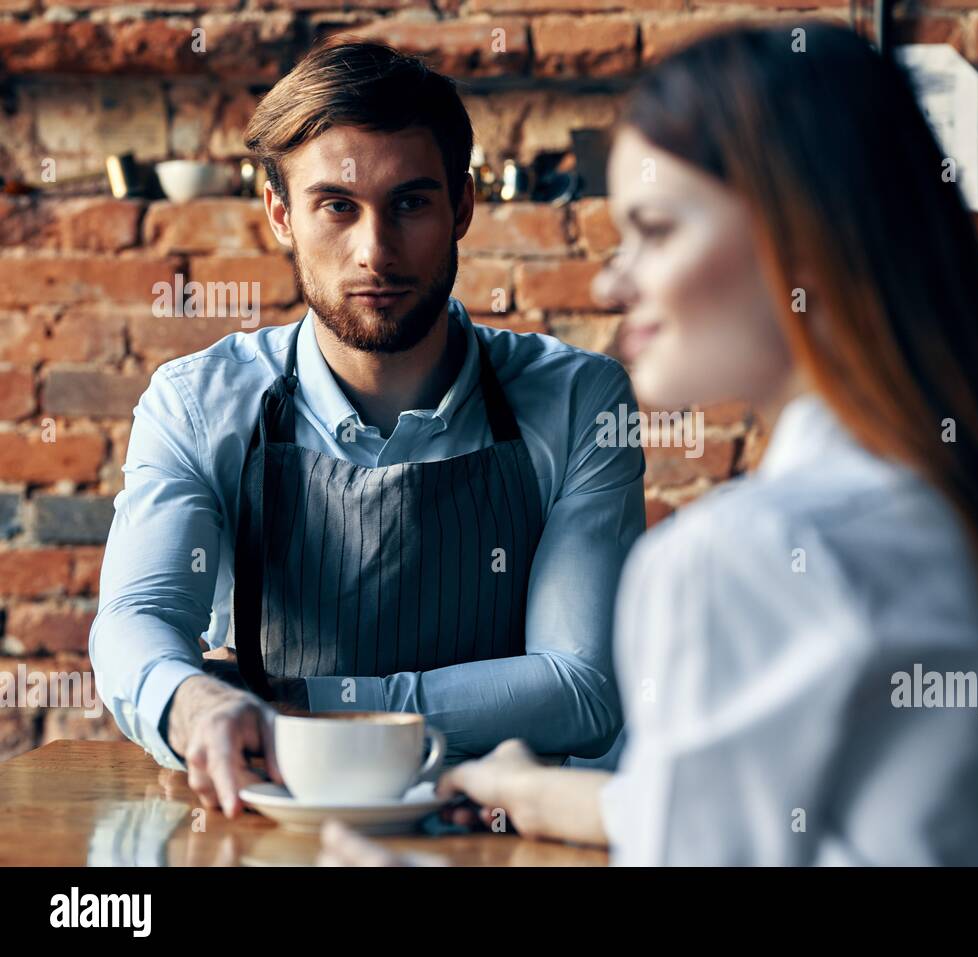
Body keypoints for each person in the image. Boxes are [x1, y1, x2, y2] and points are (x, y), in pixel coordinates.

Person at [322, 22, 978, 866]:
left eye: (654, 230)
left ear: (801, 237)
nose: (615, 280)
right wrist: (533, 792)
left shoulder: (750, 554)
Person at [89, 39, 645, 818]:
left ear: (462, 206)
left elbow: (580, 687)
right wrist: (198, 706)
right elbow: (136, 619)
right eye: (337, 206)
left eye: (410, 203)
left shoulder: (581, 400)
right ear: (282, 214)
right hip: (270, 828)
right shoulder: (199, 404)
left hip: (502, 835)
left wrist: (284, 699)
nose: (374, 251)